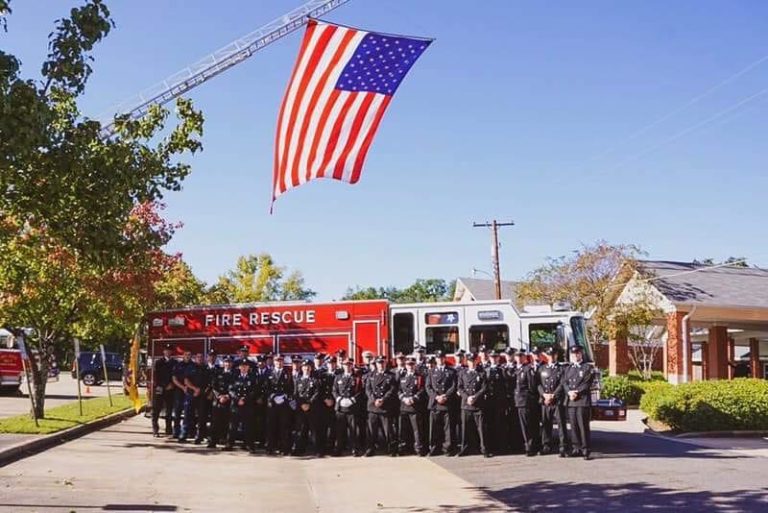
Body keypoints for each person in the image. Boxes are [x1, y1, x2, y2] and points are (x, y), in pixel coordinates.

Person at [563, 344, 594, 460]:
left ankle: (586, 449)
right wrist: (569, 392)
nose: (575, 355)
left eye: (577, 353)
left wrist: (576, 392)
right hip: (571, 401)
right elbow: (564, 382)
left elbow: (587, 383)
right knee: (574, 426)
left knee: (583, 426)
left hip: (582, 401)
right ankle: (576, 448)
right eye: (573, 354)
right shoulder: (568, 368)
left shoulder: (587, 368)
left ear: (581, 354)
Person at [537, 345, 568, 457]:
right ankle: (546, 446)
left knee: (561, 424)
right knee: (546, 424)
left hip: (557, 401)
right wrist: (544, 395)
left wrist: (553, 395)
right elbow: (538, 384)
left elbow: (562, 383)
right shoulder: (542, 368)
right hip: (545, 400)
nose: (552, 357)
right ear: (547, 356)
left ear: (557, 355)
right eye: (550, 355)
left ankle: (563, 447)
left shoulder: (562, 368)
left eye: (554, 355)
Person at [426, 350, 458, 456]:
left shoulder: (452, 371)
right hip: (435, 403)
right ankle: (434, 448)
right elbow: (428, 387)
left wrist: (445, 396)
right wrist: (436, 397)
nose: (440, 359)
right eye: (438, 358)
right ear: (436, 359)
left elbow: (454, 386)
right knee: (434, 428)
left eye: (442, 357)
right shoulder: (431, 371)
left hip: (447, 403)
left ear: (445, 358)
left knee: (448, 428)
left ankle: (447, 449)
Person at [365, 356, 398, 457]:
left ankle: (391, 449)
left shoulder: (391, 376)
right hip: (373, 406)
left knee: (388, 430)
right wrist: (374, 399)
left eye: (382, 363)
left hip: (385, 406)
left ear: (385, 363)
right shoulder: (370, 375)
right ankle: (370, 449)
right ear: (376, 364)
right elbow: (368, 389)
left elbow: (392, 390)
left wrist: (383, 399)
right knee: (371, 430)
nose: (381, 365)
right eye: (379, 363)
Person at [333, 358, 363, 456]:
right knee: (339, 430)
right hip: (340, 407)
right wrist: (339, 399)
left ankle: (354, 449)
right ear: (343, 366)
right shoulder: (338, 377)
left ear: (352, 366)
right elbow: (334, 390)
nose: (347, 366)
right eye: (345, 365)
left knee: (353, 430)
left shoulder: (357, 378)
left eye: (349, 365)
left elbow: (360, 391)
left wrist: (352, 400)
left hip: (352, 407)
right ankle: (338, 449)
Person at [397, 356, 427, 456]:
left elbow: (422, 389)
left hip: (415, 406)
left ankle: (418, 448)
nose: (410, 366)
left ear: (415, 365)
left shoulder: (419, 377)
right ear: (405, 366)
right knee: (403, 429)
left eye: (412, 365)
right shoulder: (402, 376)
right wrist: (403, 398)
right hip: (404, 406)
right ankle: (404, 448)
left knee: (417, 430)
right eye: (408, 365)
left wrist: (413, 398)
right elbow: (398, 390)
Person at [225, 359, 256, 452]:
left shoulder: (253, 377)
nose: (244, 368)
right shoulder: (234, 377)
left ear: (248, 367)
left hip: (248, 404)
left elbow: (254, 391)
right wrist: (237, 399)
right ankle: (229, 444)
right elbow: (230, 390)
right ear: (239, 367)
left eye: (246, 366)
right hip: (235, 404)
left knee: (248, 426)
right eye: (242, 366)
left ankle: (249, 445)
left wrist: (244, 399)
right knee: (233, 426)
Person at [511, 350, 538, 456]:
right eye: (517, 356)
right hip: (516, 401)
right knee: (518, 425)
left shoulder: (528, 369)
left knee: (526, 425)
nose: (518, 358)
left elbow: (531, 387)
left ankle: (529, 447)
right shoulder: (515, 369)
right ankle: (519, 445)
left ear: (524, 357)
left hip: (524, 401)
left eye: (520, 356)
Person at [293, 360, 323, 456]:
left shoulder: (315, 380)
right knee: (301, 430)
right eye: (305, 366)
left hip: (312, 409)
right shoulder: (298, 380)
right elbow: (296, 394)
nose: (306, 368)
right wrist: (302, 404)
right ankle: (299, 449)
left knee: (314, 430)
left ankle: (317, 450)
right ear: (302, 368)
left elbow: (317, 393)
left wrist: (309, 404)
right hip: (301, 409)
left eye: (308, 367)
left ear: (311, 368)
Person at [266, 354, 294, 455]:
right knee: (271, 426)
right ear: (274, 362)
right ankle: (271, 447)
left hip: (284, 403)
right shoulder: (269, 373)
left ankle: (284, 448)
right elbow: (266, 388)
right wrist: (273, 396)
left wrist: (284, 396)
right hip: (273, 403)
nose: (279, 362)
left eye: (281, 361)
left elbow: (291, 388)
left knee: (284, 426)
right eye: (277, 361)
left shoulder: (288, 373)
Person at [208, 356, 234, 449]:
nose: (228, 364)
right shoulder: (218, 372)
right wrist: (219, 396)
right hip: (218, 400)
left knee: (229, 422)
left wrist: (227, 396)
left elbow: (236, 387)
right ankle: (212, 441)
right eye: (226, 362)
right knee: (215, 422)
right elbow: (214, 386)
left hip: (230, 401)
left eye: (230, 362)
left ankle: (228, 443)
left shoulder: (235, 374)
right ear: (223, 363)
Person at [484, 350, 506, 455]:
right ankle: (491, 447)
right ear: (489, 358)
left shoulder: (502, 370)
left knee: (500, 424)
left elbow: (505, 386)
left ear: (498, 358)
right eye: (492, 357)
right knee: (489, 424)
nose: (493, 358)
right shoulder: (485, 369)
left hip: (499, 401)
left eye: (495, 357)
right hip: (488, 401)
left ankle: (501, 446)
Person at [151, 344, 176, 437]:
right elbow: (156, 376)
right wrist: (163, 385)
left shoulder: (174, 363)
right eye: (166, 350)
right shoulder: (159, 362)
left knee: (169, 411)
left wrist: (172, 384)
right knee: (156, 410)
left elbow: (176, 375)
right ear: (163, 352)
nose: (168, 352)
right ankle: (155, 429)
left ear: (171, 352)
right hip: (160, 388)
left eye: (169, 350)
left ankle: (168, 429)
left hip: (171, 389)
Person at [171, 350, 195, 439]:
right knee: (177, 412)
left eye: (189, 354)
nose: (188, 356)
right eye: (186, 354)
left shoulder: (194, 365)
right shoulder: (178, 365)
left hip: (190, 392)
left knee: (188, 413)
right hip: (179, 391)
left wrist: (190, 388)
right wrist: (182, 387)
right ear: (183, 355)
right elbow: (174, 378)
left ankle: (185, 432)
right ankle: (176, 431)